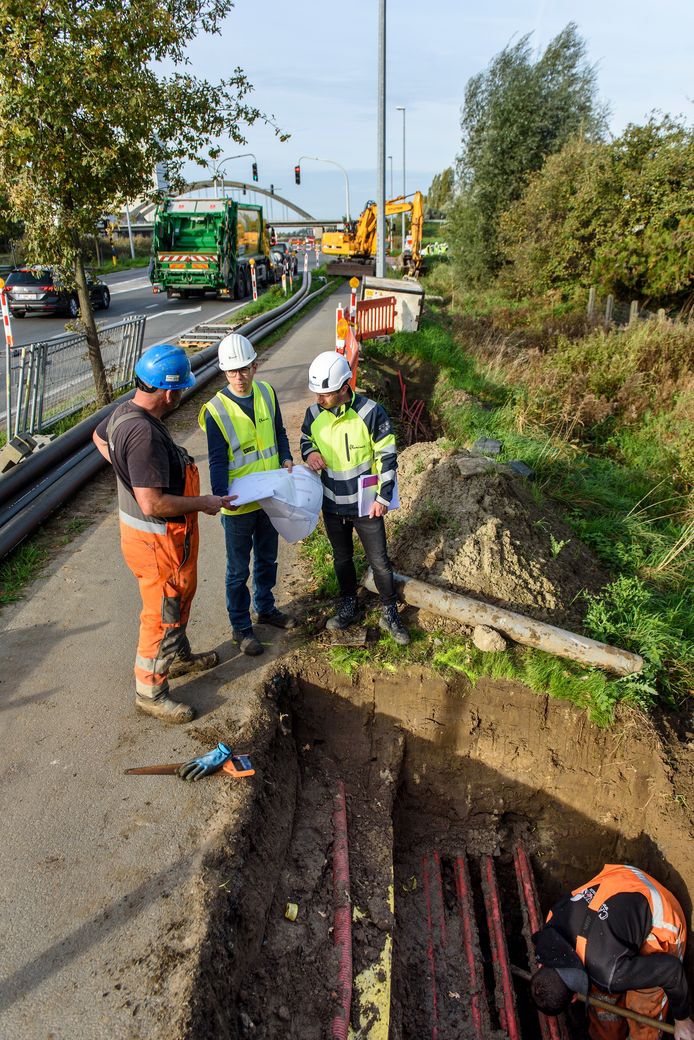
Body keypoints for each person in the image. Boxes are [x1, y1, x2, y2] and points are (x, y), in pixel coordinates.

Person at [93, 343, 234, 724]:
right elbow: (154, 504)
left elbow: (99, 437)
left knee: (180, 595)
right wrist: (204, 502)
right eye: (181, 389)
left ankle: (179, 655)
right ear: (169, 392)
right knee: (162, 612)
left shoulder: (125, 411)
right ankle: (150, 690)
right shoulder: (144, 437)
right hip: (159, 542)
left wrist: (126, 469)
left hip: (155, 539)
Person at [300, 350, 409, 646]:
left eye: (325, 394)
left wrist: (383, 498)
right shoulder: (313, 414)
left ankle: (389, 612)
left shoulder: (372, 413)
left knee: (380, 562)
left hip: (366, 504)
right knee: (342, 558)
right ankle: (349, 603)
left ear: (344, 388)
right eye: (317, 394)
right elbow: (305, 438)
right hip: (333, 504)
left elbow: (387, 457)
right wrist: (309, 452)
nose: (319, 399)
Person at [199, 333, 295, 657]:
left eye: (244, 369)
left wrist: (286, 458)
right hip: (238, 506)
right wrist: (220, 496)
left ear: (255, 366)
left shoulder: (266, 393)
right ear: (224, 372)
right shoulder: (215, 410)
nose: (239, 377)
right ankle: (241, 627)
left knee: (267, 558)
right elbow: (216, 458)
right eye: (232, 372)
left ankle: (265, 607)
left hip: (268, 497)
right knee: (238, 570)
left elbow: (279, 433)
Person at [530, 863, 694, 1040]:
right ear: (541, 965)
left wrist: (682, 1020)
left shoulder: (609, 973)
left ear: (573, 998)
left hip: (659, 914)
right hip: (620, 880)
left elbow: (671, 971)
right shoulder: (551, 924)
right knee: (602, 997)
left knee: (645, 1004)